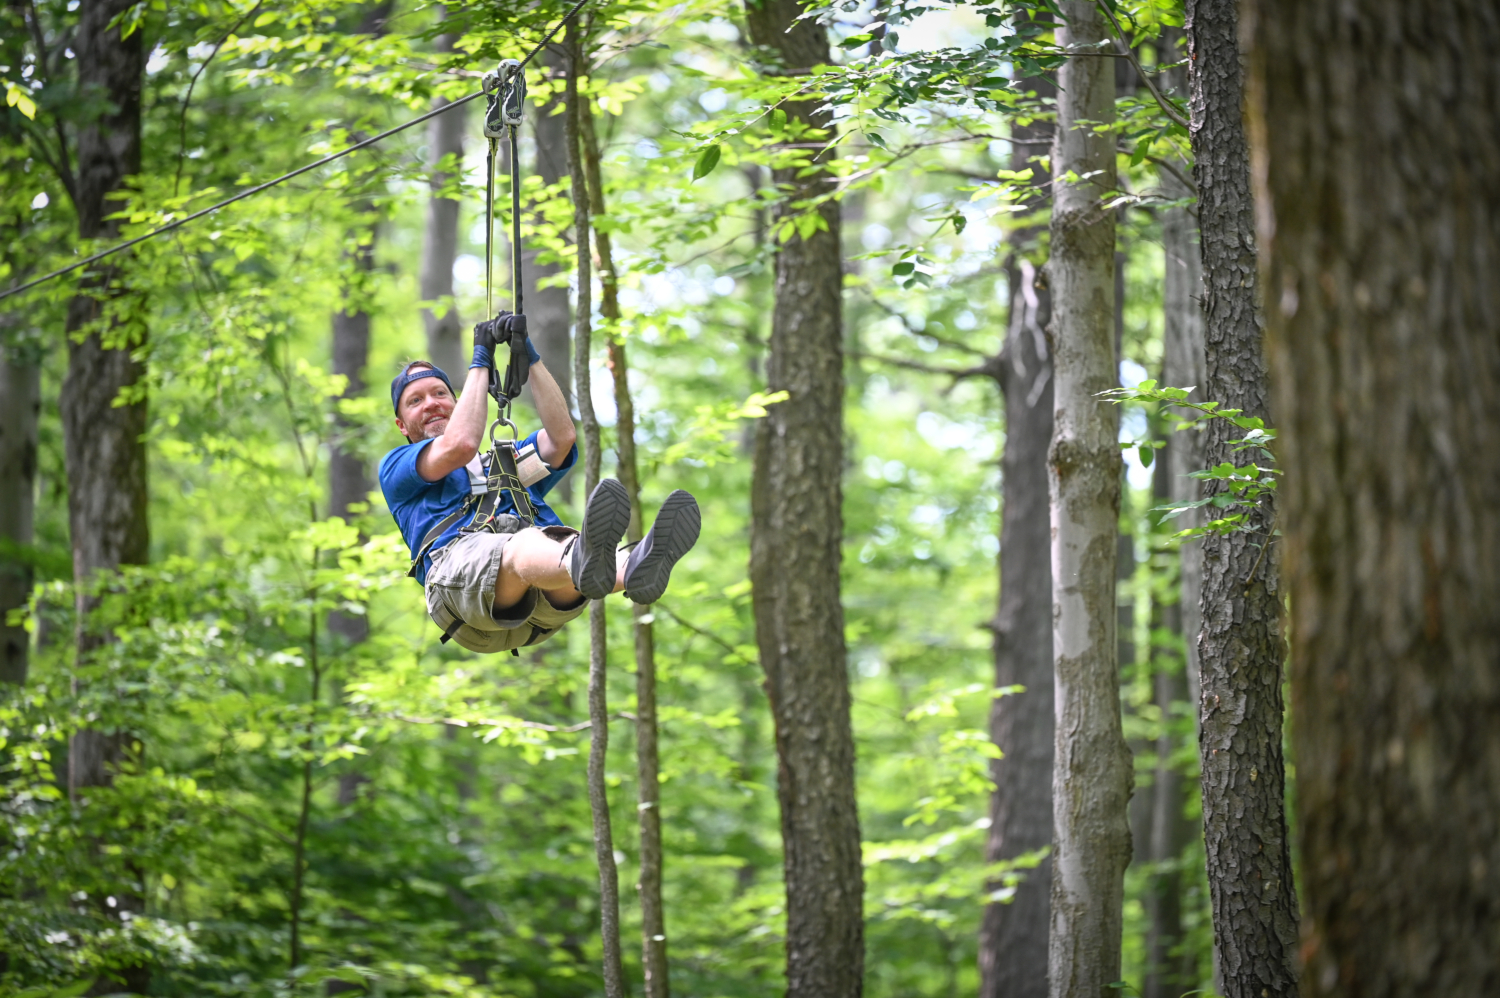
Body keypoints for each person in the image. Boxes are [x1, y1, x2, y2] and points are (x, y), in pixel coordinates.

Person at [379, 311, 700, 654]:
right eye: (416, 400)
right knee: (527, 543)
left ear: (456, 403)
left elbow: (562, 439)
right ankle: (584, 558)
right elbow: (460, 445)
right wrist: (480, 362)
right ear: (402, 425)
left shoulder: (504, 467)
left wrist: (529, 357)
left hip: (543, 608)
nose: (431, 404)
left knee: (555, 544)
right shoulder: (398, 468)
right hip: (462, 599)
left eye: (440, 393)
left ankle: (632, 568)